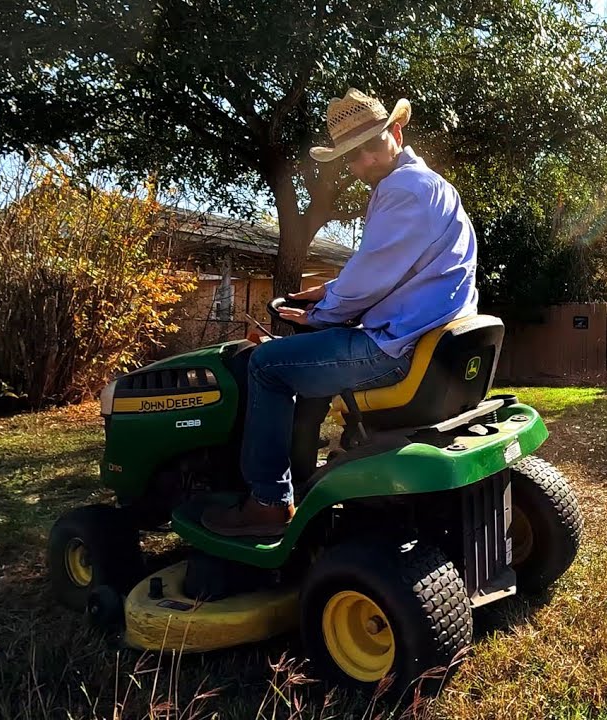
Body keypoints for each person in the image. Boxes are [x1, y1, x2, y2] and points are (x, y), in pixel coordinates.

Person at [202, 88, 479, 536]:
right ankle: (303, 475)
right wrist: (326, 292)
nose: (364, 160)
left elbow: (371, 275)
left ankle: (268, 501)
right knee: (300, 359)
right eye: (353, 155)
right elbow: (392, 268)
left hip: (395, 346)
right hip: (424, 332)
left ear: (396, 130)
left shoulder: (404, 190)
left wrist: (321, 314)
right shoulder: (430, 186)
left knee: (266, 366)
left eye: (372, 145)